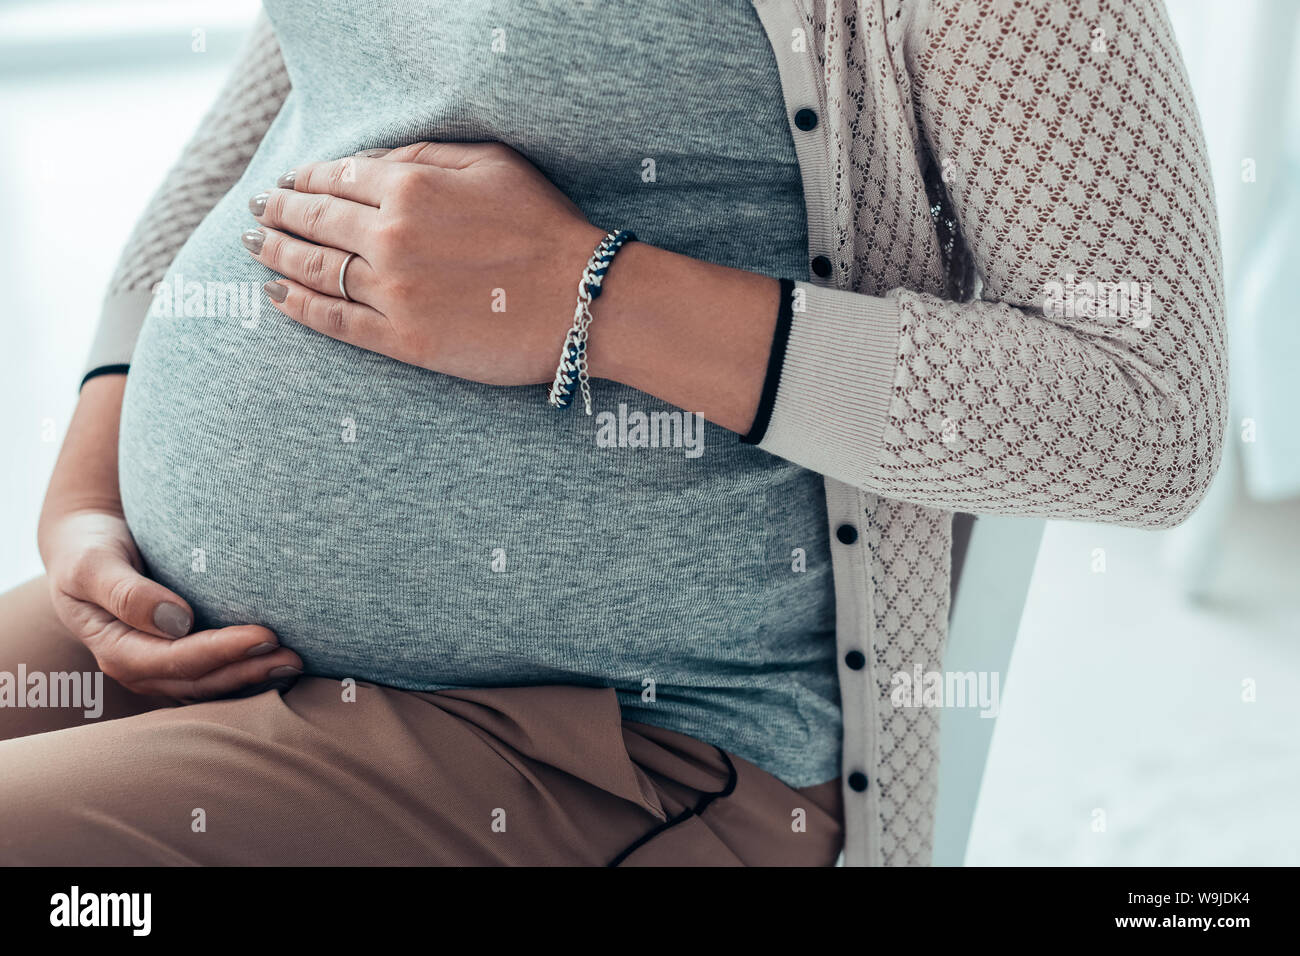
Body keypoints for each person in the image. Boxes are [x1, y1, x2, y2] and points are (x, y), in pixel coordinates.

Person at [0, 0, 1224, 866]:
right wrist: (91, 471)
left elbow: (1145, 412)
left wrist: (594, 295)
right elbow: (304, 91)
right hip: (187, 617)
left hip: (620, 743)